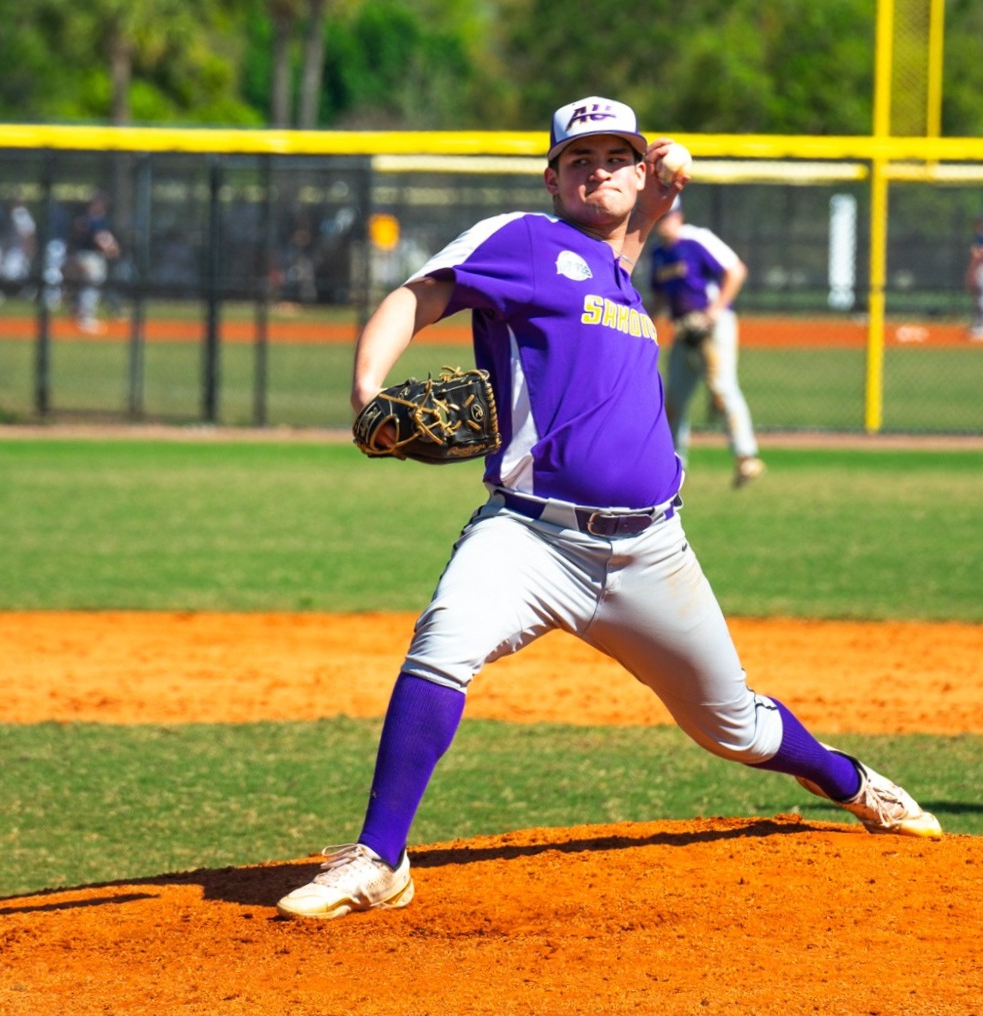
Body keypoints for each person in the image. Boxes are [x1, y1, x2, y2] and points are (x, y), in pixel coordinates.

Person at [275, 96, 941, 921]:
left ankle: (849, 781)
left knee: (730, 727)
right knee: (441, 644)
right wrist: (366, 390)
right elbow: (417, 297)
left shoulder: (620, 267)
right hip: (527, 535)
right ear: (551, 177)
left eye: (613, 157)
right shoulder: (519, 240)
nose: (598, 170)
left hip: (652, 553)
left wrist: (659, 179)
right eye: (578, 159)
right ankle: (379, 857)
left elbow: (632, 223)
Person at [648, 198, 765, 488]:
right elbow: (660, 300)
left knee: (722, 388)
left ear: (678, 215)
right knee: (673, 400)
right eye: (657, 214)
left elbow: (736, 271)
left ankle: (745, 456)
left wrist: (713, 313)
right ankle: (673, 467)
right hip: (684, 330)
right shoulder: (660, 254)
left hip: (714, 326)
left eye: (667, 214)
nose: (662, 220)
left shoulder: (696, 240)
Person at [67, 195, 121, 333]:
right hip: (89, 256)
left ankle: (76, 312)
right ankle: (85, 318)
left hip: (81, 255)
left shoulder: (85, 219)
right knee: (92, 286)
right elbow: (100, 240)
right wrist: (111, 250)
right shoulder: (93, 220)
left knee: (83, 285)